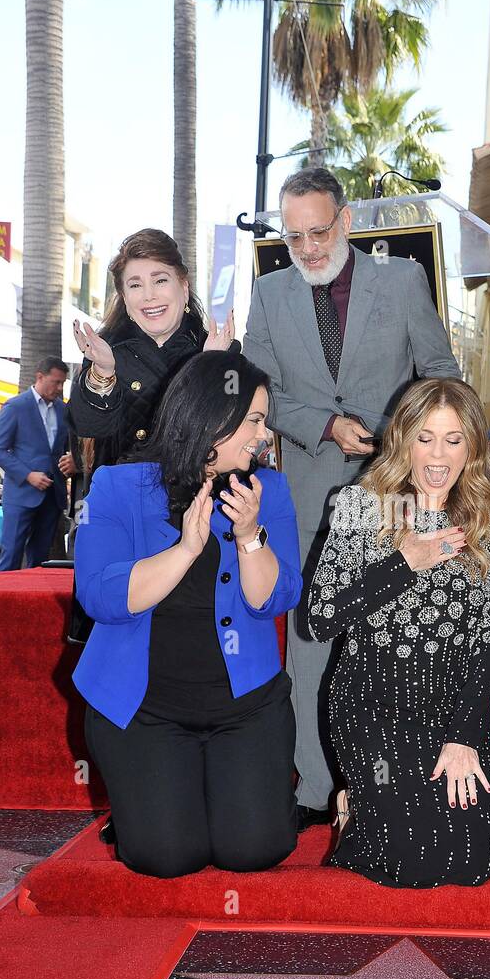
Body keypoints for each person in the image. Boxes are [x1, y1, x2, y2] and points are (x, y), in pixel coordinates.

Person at [243, 166, 460, 831]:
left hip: (391, 494)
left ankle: (383, 782)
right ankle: (313, 787)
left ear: (346, 221)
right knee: (310, 641)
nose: (307, 247)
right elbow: (258, 390)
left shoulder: (401, 281)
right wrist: (323, 424)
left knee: (392, 639)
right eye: (294, 234)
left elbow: (441, 372)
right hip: (307, 490)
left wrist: (414, 444)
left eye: (319, 231)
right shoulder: (269, 292)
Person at [72, 353, 302, 879]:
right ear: (209, 416)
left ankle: (243, 796)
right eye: (254, 421)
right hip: (144, 709)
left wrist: (249, 538)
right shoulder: (116, 486)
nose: (263, 436)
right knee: (167, 858)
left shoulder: (269, 491)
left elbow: (277, 596)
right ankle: (149, 808)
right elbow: (100, 595)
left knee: (253, 852)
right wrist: (183, 551)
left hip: (246, 708)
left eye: (263, 422)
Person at [304, 378, 490, 888]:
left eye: (453, 439)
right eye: (425, 437)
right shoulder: (362, 505)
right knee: (412, 862)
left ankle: (365, 802)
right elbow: (319, 618)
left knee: (471, 863)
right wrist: (405, 563)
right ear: (403, 439)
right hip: (372, 697)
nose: (437, 455)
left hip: (449, 702)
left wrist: (465, 735)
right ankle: (356, 799)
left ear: (472, 445)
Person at [67, 227, 237, 639]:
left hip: (192, 513)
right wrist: (104, 372)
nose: (149, 296)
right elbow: (88, 426)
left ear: (183, 284)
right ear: (123, 298)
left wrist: (208, 369)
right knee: (119, 633)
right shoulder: (106, 350)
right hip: (121, 515)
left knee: (187, 639)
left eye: (160, 280)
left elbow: (233, 438)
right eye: (135, 285)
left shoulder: (218, 348)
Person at [0, 357, 73, 571]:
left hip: (52, 496)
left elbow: (65, 448)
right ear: (40, 377)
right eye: (56, 382)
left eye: (63, 382)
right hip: (21, 494)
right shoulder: (16, 406)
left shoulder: (63, 411)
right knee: (11, 556)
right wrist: (28, 475)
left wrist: (72, 461)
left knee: (40, 560)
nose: (60, 387)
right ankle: (1, 601)